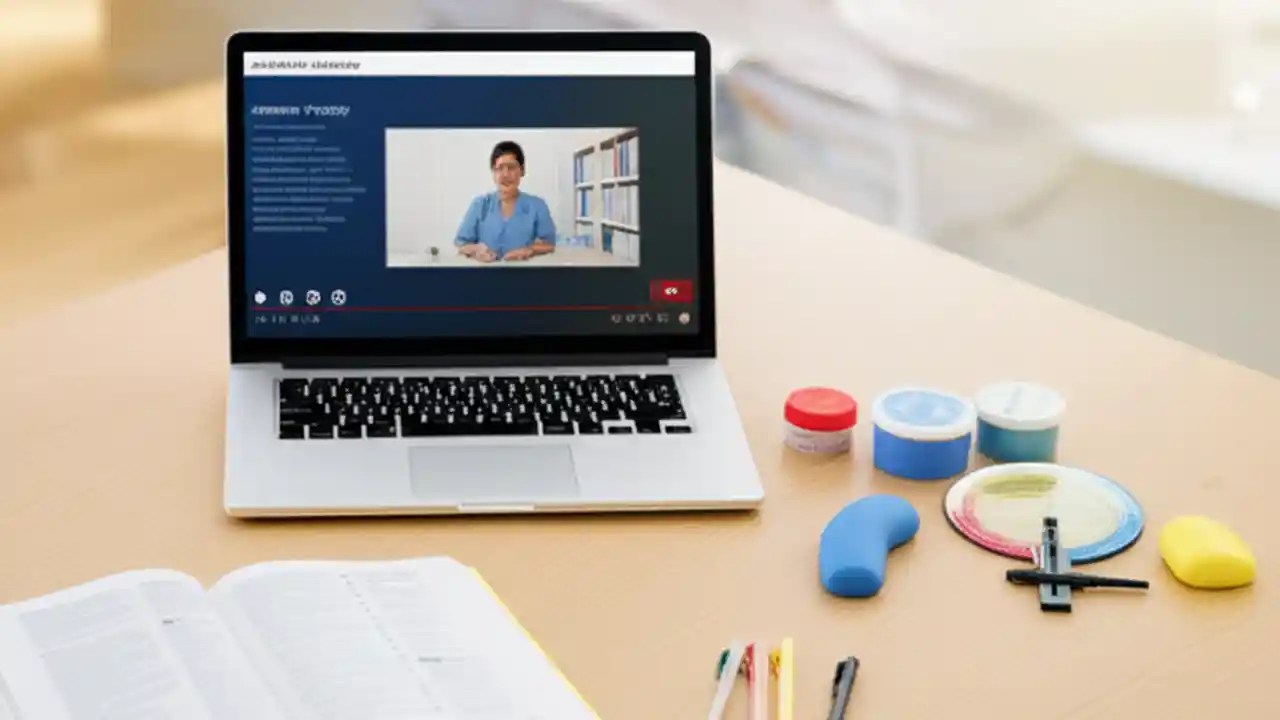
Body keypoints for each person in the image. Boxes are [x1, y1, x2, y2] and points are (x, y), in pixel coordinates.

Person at [455, 141, 557, 263]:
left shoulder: (537, 206)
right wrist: (476, 249)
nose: (505, 174)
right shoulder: (480, 205)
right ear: (493, 173)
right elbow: (461, 244)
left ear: (522, 170)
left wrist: (529, 250)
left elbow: (549, 244)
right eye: (499, 168)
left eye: (511, 167)